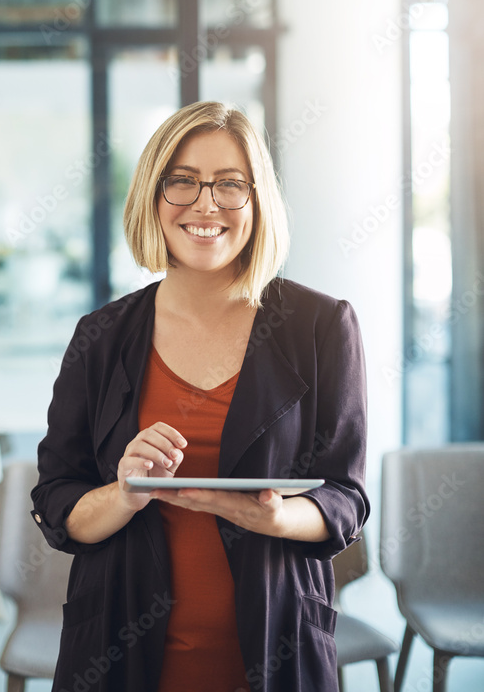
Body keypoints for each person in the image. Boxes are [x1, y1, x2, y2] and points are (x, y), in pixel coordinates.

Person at [31, 101, 369, 692]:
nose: (205, 204)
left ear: (257, 200)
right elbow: (59, 500)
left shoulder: (320, 326)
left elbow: (347, 496)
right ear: (152, 197)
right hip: (119, 656)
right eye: (182, 182)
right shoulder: (101, 336)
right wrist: (124, 492)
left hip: (275, 648)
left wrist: (277, 515)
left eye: (230, 184)